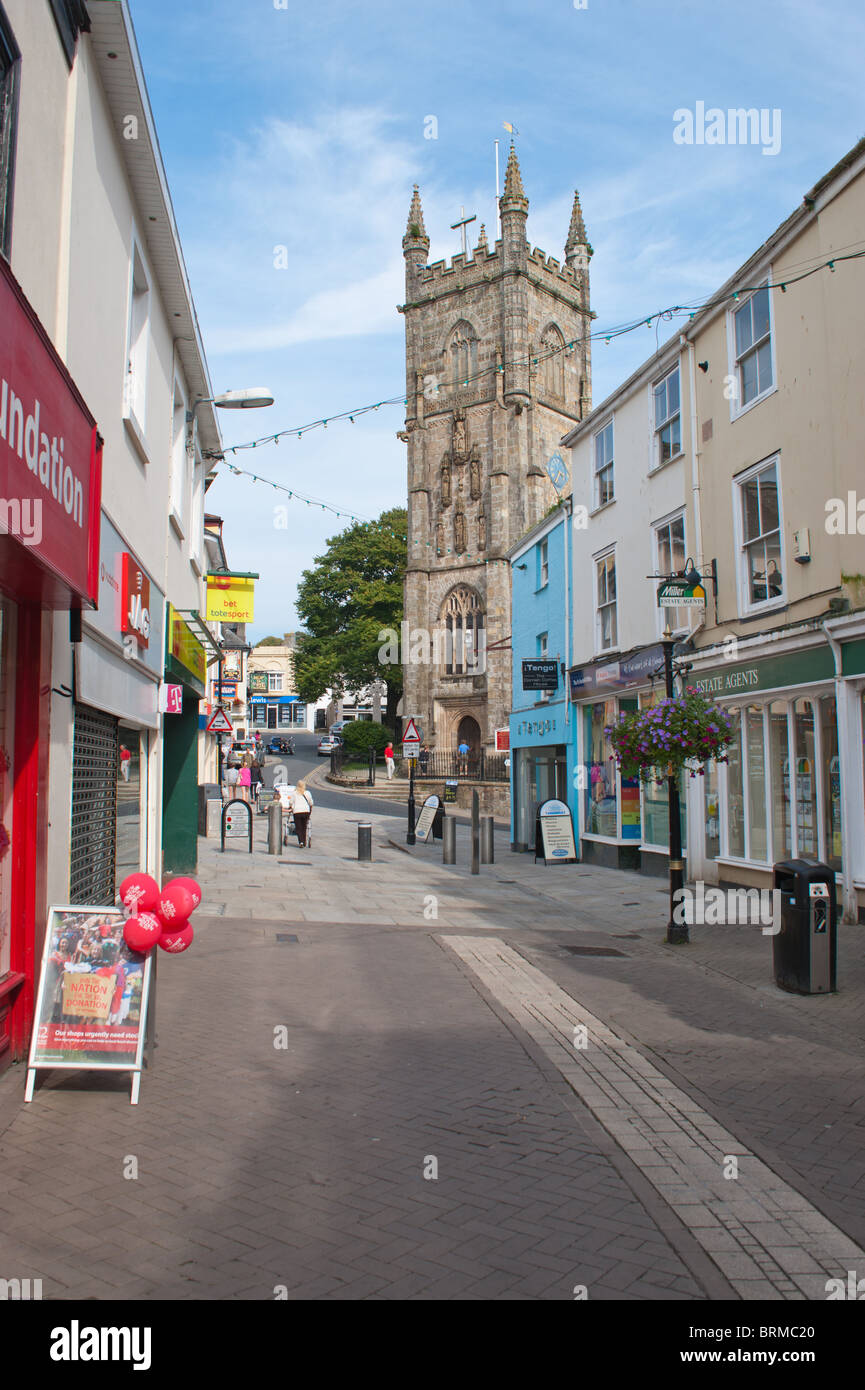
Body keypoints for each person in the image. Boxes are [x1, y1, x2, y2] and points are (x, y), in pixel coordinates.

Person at [291, 779, 314, 848]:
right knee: (304, 827)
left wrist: (291, 807)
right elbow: (311, 803)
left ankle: (300, 841)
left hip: (297, 812)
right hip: (306, 811)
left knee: (299, 827)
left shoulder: (294, 793)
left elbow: (291, 802)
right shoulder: (307, 793)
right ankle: (304, 841)